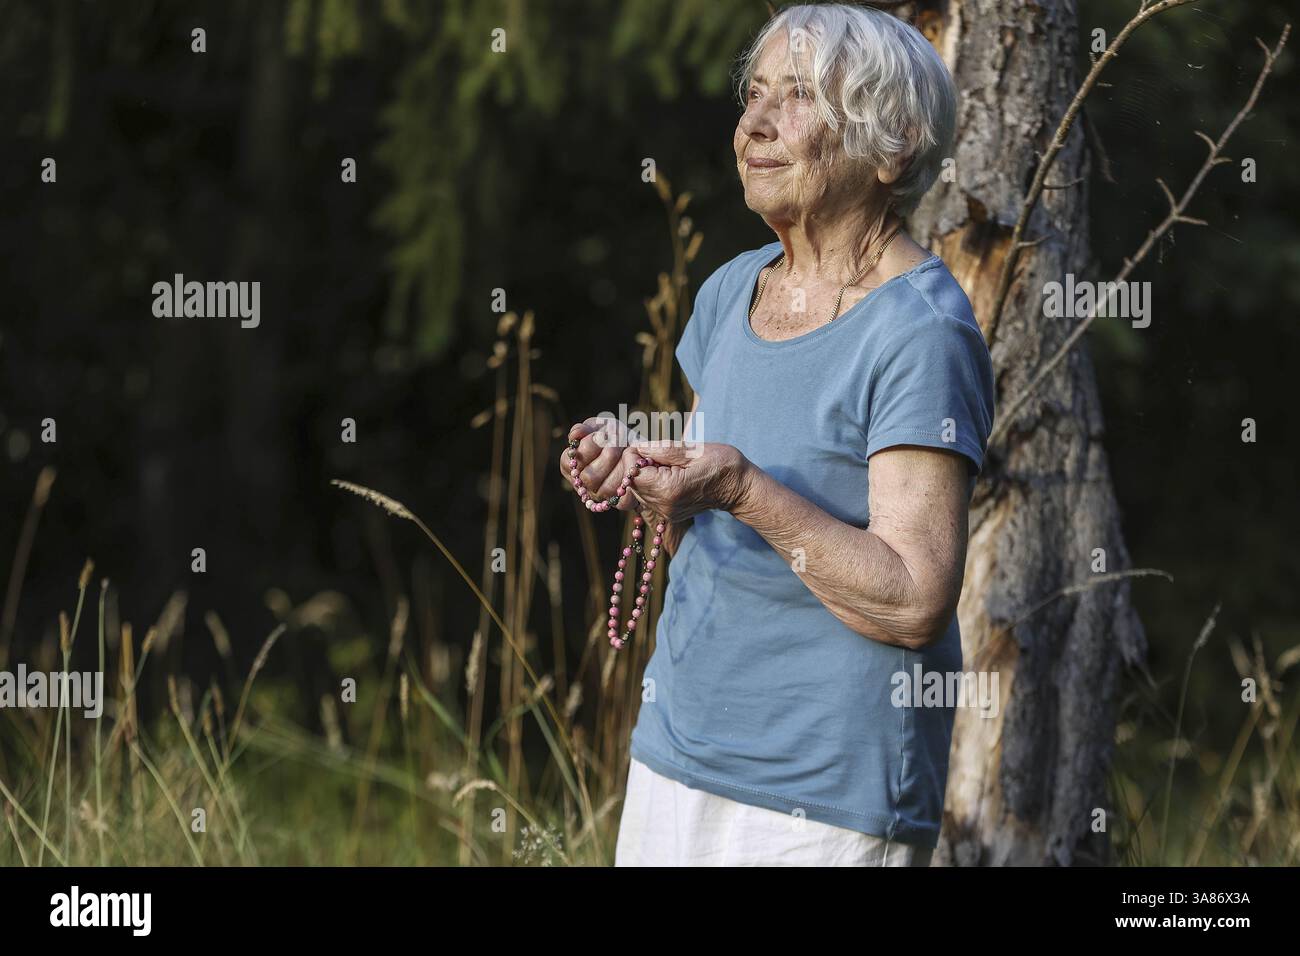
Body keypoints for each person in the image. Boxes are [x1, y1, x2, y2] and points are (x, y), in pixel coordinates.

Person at [561, 3, 994, 866]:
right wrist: (649, 477)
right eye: (752, 95)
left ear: (893, 142)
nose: (754, 124)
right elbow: (698, 535)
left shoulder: (921, 331)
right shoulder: (730, 291)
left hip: (825, 795)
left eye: (796, 97)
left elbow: (913, 600)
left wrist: (739, 488)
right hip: (678, 754)